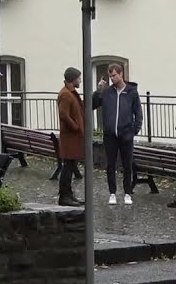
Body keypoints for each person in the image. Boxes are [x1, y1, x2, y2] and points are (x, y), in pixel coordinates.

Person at [94, 64, 143, 205]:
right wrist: (99, 90)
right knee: (110, 164)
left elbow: (138, 112)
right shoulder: (107, 92)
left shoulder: (131, 92)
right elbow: (92, 104)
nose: (112, 78)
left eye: (114, 75)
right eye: (110, 76)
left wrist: (134, 130)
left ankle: (127, 192)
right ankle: (112, 193)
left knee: (127, 164)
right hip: (110, 135)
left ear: (121, 74)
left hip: (126, 134)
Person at [56, 67, 87, 207]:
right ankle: (64, 195)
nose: (80, 80)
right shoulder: (66, 94)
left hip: (73, 137)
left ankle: (68, 194)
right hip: (70, 137)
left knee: (70, 166)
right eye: (78, 78)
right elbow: (64, 115)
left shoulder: (70, 93)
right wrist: (76, 127)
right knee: (67, 168)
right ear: (73, 79)